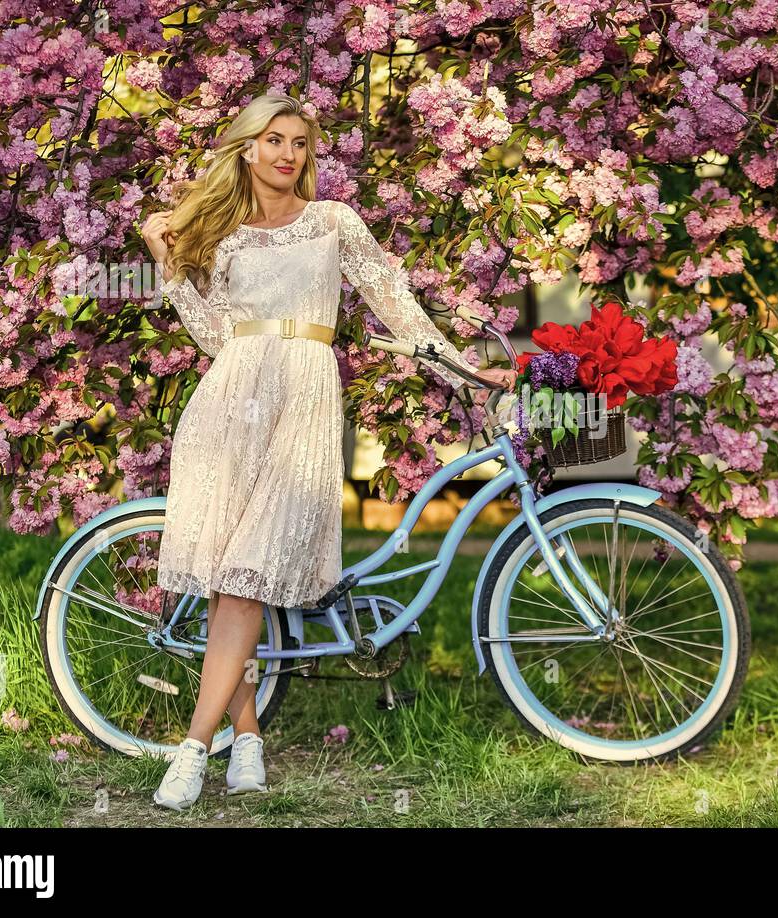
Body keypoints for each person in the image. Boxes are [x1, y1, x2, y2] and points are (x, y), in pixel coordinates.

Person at [139, 93, 516, 811]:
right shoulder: (225, 235)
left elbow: (394, 304)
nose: (288, 153)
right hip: (228, 402)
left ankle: (192, 751)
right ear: (247, 149)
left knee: (247, 574)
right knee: (230, 581)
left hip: (306, 403)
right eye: (274, 140)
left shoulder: (334, 222)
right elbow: (218, 337)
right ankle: (243, 740)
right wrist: (169, 263)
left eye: (301, 142)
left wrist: (464, 369)